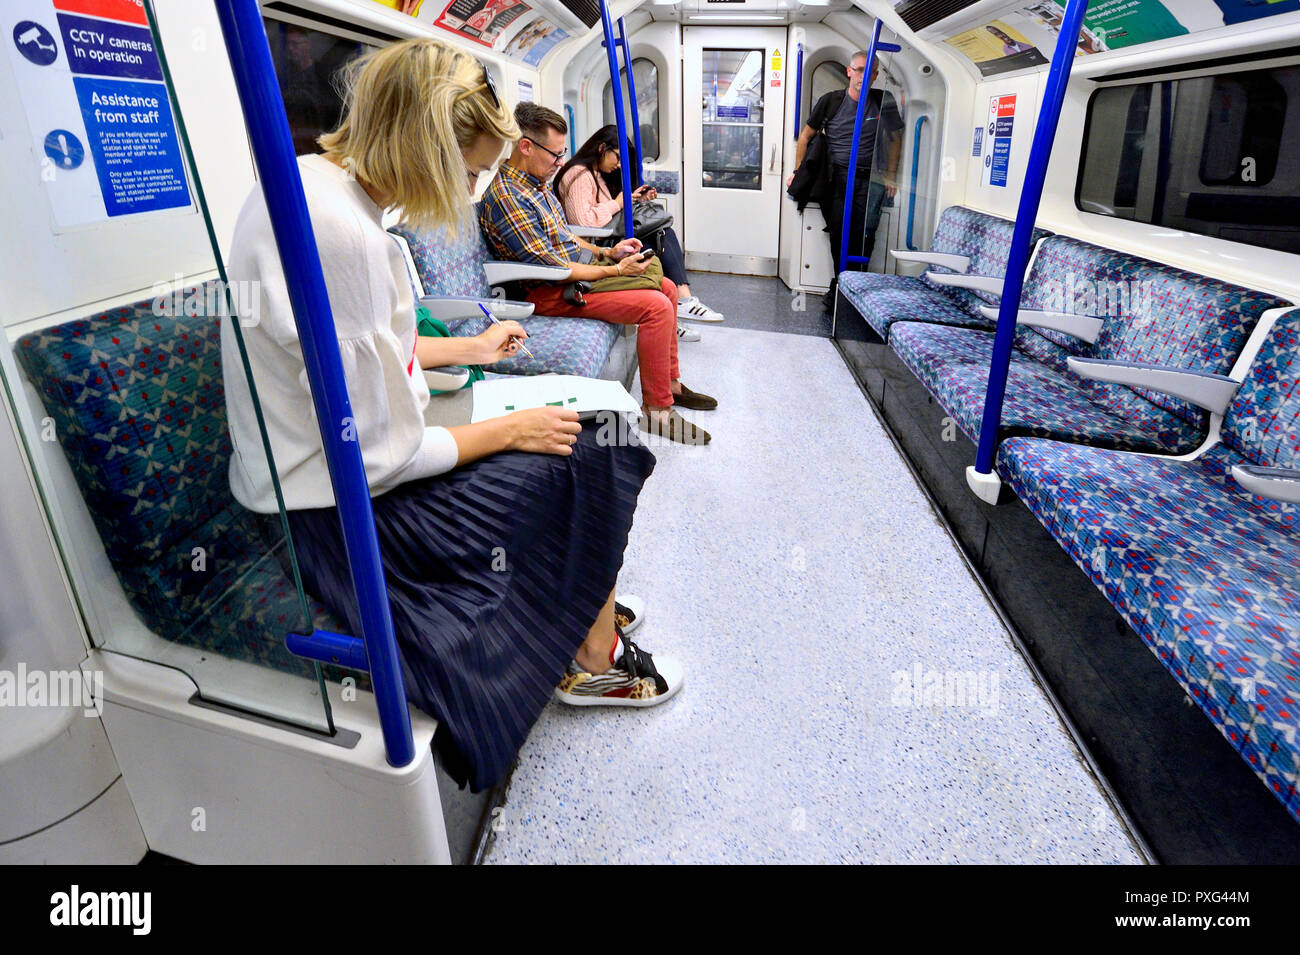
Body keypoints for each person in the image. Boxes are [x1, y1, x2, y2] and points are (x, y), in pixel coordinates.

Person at [223, 38, 684, 795]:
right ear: (424, 146)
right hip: (336, 514)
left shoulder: (318, 187)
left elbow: (370, 359)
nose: (473, 192)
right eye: (469, 172)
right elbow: (381, 455)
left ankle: (583, 608)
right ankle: (594, 661)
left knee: (587, 425)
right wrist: (510, 428)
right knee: (594, 444)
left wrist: (469, 348)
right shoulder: (339, 232)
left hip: (334, 471)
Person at [480, 102, 718, 446]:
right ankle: (657, 411)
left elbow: (566, 236)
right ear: (526, 146)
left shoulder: (536, 185)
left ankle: (671, 385)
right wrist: (616, 270)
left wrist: (607, 252)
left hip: (574, 276)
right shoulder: (508, 196)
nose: (560, 164)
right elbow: (551, 267)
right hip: (548, 293)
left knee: (665, 288)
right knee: (656, 307)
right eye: (555, 155)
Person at [554, 125, 726, 341]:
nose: (618, 165)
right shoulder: (579, 174)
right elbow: (584, 221)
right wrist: (618, 203)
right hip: (594, 244)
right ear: (601, 148)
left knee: (661, 231)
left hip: (604, 235)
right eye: (616, 157)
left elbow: (603, 209)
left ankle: (683, 301)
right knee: (650, 242)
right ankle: (677, 307)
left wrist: (632, 199)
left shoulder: (594, 174)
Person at [788, 52, 904, 308]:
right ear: (849, 71)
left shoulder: (883, 101)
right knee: (840, 233)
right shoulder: (830, 101)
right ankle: (840, 284)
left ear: (875, 76)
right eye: (859, 70)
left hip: (869, 178)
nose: (864, 76)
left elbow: (895, 139)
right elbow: (805, 136)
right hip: (835, 177)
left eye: (870, 72)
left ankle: (853, 286)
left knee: (865, 235)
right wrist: (798, 172)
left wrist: (890, 176)